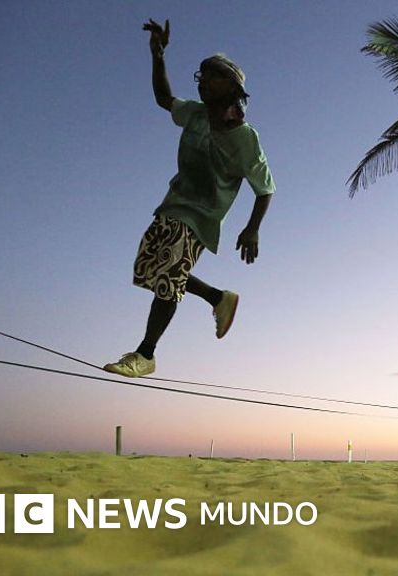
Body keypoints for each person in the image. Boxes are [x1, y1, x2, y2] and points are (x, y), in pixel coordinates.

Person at [103, 18, 275, 378]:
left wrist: (252, 229)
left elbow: (265, 188)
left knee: (168, 275)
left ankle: (145, 354)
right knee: (155, 269)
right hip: (172, 204)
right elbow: (164, 98)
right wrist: (157, 55)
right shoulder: (195, 115)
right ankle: (218, 298)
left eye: (212, 77)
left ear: (231, 86)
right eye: (201, 76)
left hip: (202, 217)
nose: (203, 82)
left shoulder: (245, 138)